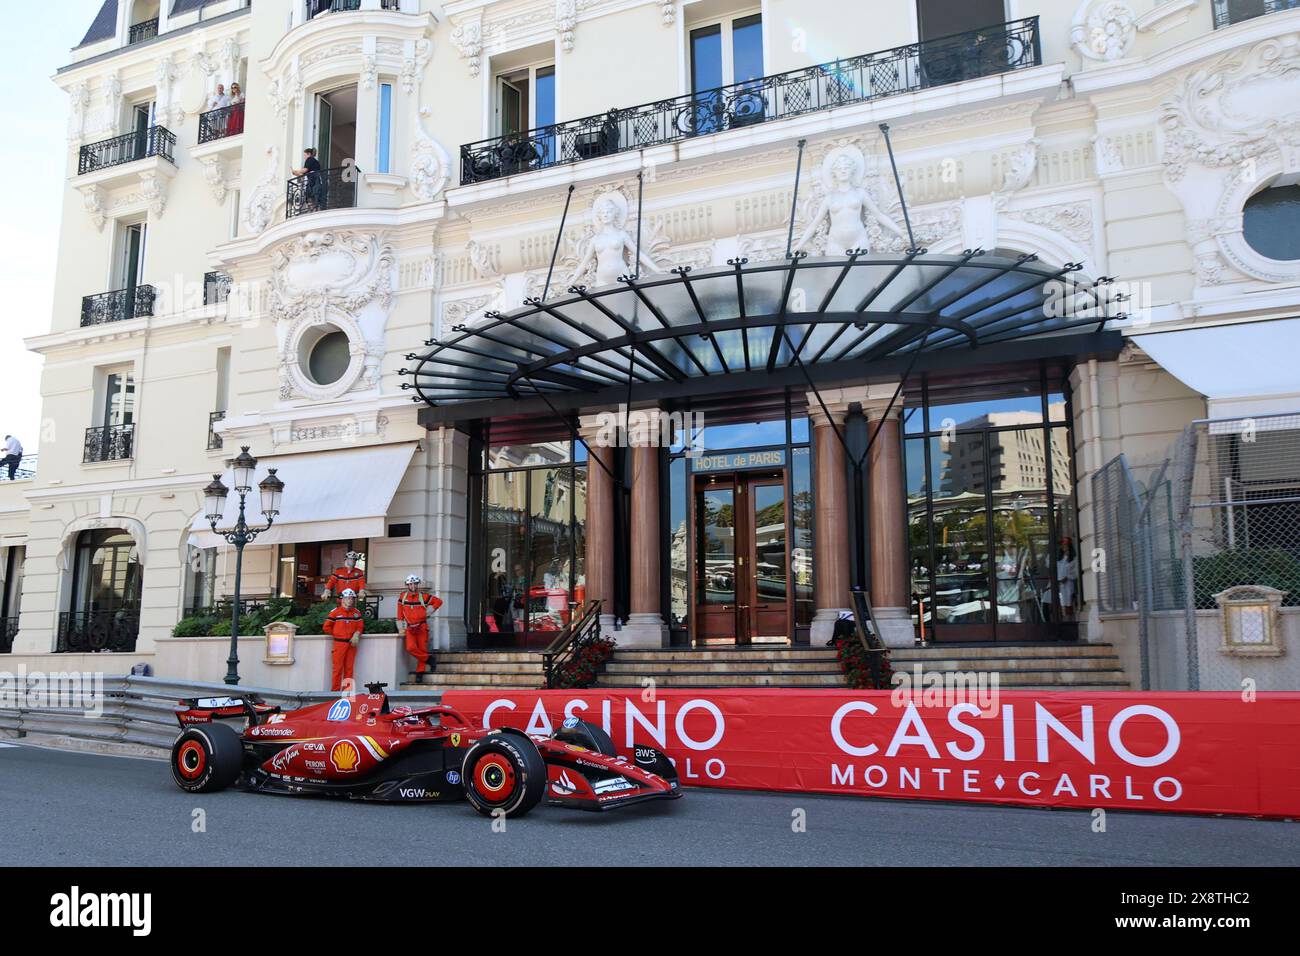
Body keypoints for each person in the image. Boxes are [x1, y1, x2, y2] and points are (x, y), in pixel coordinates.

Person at [396, 574, 443, 675]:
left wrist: (430, 611)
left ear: (418, 584)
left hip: (422, 627)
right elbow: (399, 614)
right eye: (410, 584)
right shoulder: (402, 597)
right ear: (407, 585)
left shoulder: (424, 597)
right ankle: (430, 660)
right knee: (410, 648)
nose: (413, 586)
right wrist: (400, 627)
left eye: (415, 584)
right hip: (410, 628)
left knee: (422, 649)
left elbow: (439, 602)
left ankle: (420, 673)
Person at [323, 588, 365, 692]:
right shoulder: (335, 612)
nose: (350, 600)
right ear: (342, 599)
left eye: (352, 598)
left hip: (352, 644)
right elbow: (326, 627)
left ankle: (348, 693)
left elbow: (360, 626)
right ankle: (335, 693)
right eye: (348, 598)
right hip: (339, 644)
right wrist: (337, 634)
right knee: (337, 669)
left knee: (349, 669)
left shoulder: (356, 613)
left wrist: (356, 634)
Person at [291, 147, 324, 212]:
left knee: (310, 195)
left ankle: (312, 208)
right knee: (315, 196)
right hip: (316, 180)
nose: (304, 157)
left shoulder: (310, 159)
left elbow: (305, 170)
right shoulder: (316, 162)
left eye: (305, 155)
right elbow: (304, 174)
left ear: (309, 154)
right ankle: (315, 208)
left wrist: (296, 171)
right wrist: (296, 173)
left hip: (313, 180)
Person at [1056, 536, 1079, 621]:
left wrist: (1067, 577)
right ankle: (1064, 621)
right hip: (1060, 584)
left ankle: (1070, 621)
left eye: (1065, 545)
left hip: (1069, 583)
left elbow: (1075, 572)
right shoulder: (1059, 559)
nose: (1063, 546)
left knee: (1069, 602)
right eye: (1062, 545)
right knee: (1062, 604)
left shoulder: (1073, 559)